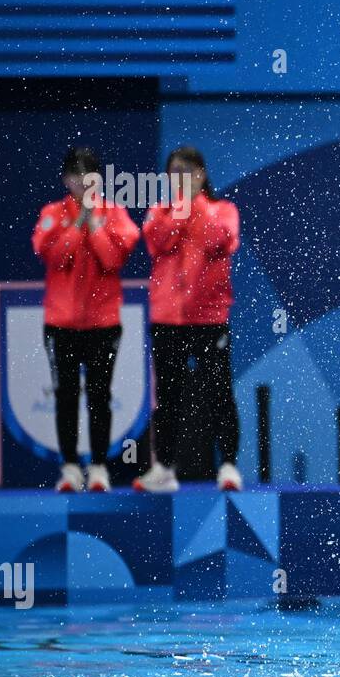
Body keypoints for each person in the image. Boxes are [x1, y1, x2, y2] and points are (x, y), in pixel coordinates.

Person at [133, 146, 243, 493]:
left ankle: (227, 465)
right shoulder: (158, 212)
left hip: (209, 317)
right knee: (168, 394)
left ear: (201, 175)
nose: (179, 179)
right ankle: (163, 467)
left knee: (218, 391)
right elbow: (157, 242)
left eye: (187, 172)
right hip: (168, 318)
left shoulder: (223, 211)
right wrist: (181, 209)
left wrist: (193, 205)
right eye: (173, 173)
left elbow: (219, 241)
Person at [32, 146, 140, 492]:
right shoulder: (52, 213)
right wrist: (78, 223)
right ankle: (68, 468)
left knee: (99, 395)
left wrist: (93, 223)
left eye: (89, 176)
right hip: (61, 324)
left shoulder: (116, 214)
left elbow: (111, 259)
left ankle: (97, 468)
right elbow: (53, 256)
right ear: (66, 179)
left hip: (103, 324)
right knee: (65, 395)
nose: (82, 183)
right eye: (75, 176)